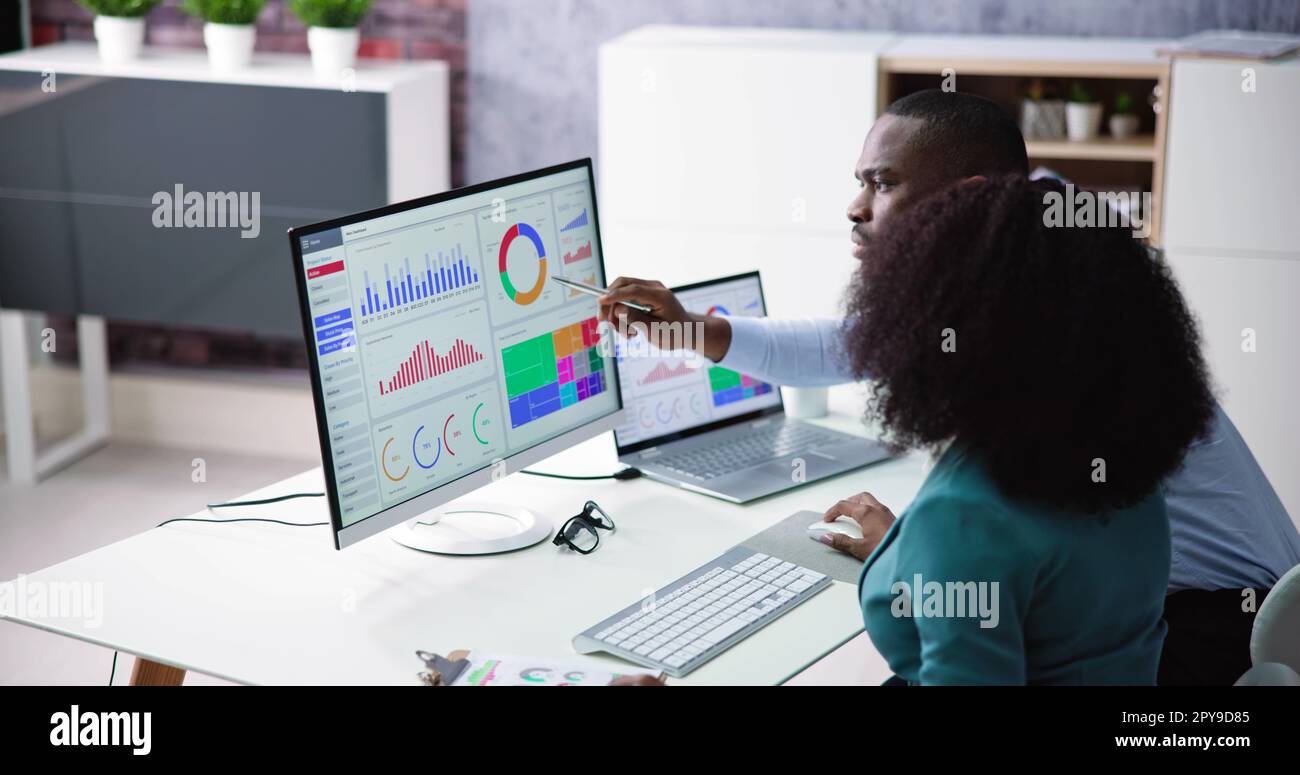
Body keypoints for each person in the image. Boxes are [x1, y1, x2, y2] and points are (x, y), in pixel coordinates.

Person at [599, 89, 1300, 685]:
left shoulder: (1034, 328)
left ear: (964, 198)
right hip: (1176, 613)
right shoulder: (1054, 272)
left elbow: (987, 527)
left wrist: (929, 556)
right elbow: (855, 343)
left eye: (881, 182)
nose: (854, 206)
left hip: (1210, 632)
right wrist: (694, 332)